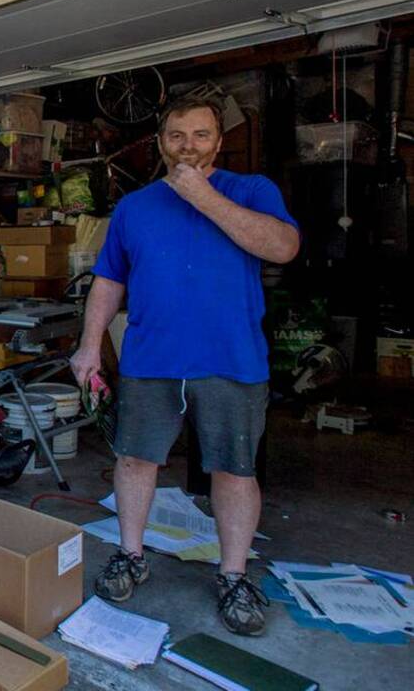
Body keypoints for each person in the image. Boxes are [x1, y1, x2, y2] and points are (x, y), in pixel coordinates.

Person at [70, 97, 300, 636]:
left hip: (231, 359)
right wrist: (89, 345)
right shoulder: (135, 207)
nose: (188, 146)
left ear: (218, 142)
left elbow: (283, 247)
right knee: (134, 460)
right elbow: (109, 280)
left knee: (234, 470)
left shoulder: (251, 190)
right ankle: (130, 555)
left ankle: (234, 575)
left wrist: (203, 196)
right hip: (151, 358)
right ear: (161, 142)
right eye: (177, 136)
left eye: (200, 135)